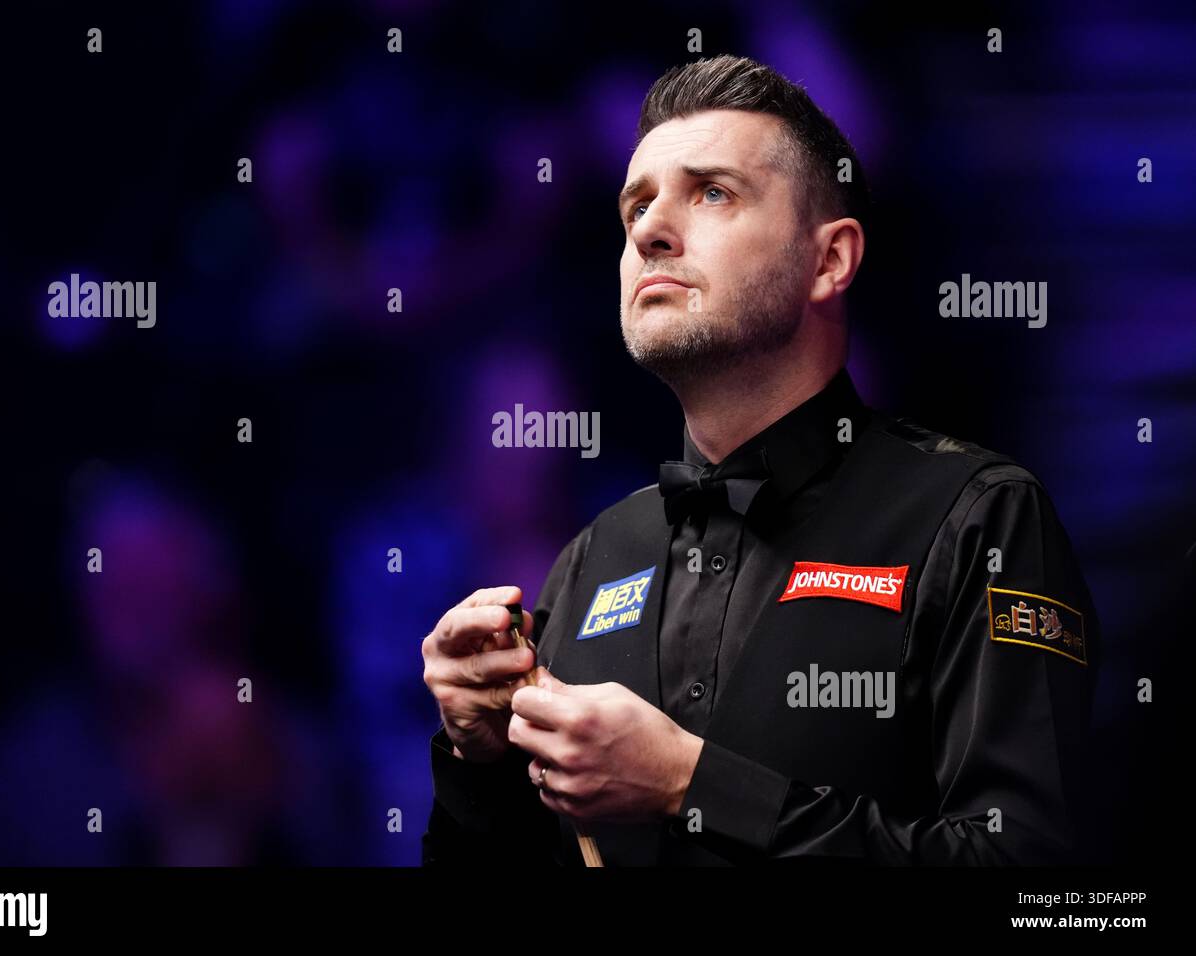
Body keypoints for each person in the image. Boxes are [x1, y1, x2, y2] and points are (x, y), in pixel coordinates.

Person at [419, 55, 1097, 866]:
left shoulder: (977, 517)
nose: (649, 228)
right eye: (636, 204)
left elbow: (1047, 895)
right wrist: (478, 763)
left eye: (712, 192)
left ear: (830, 261)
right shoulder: (593, 558)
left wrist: (692, 785)